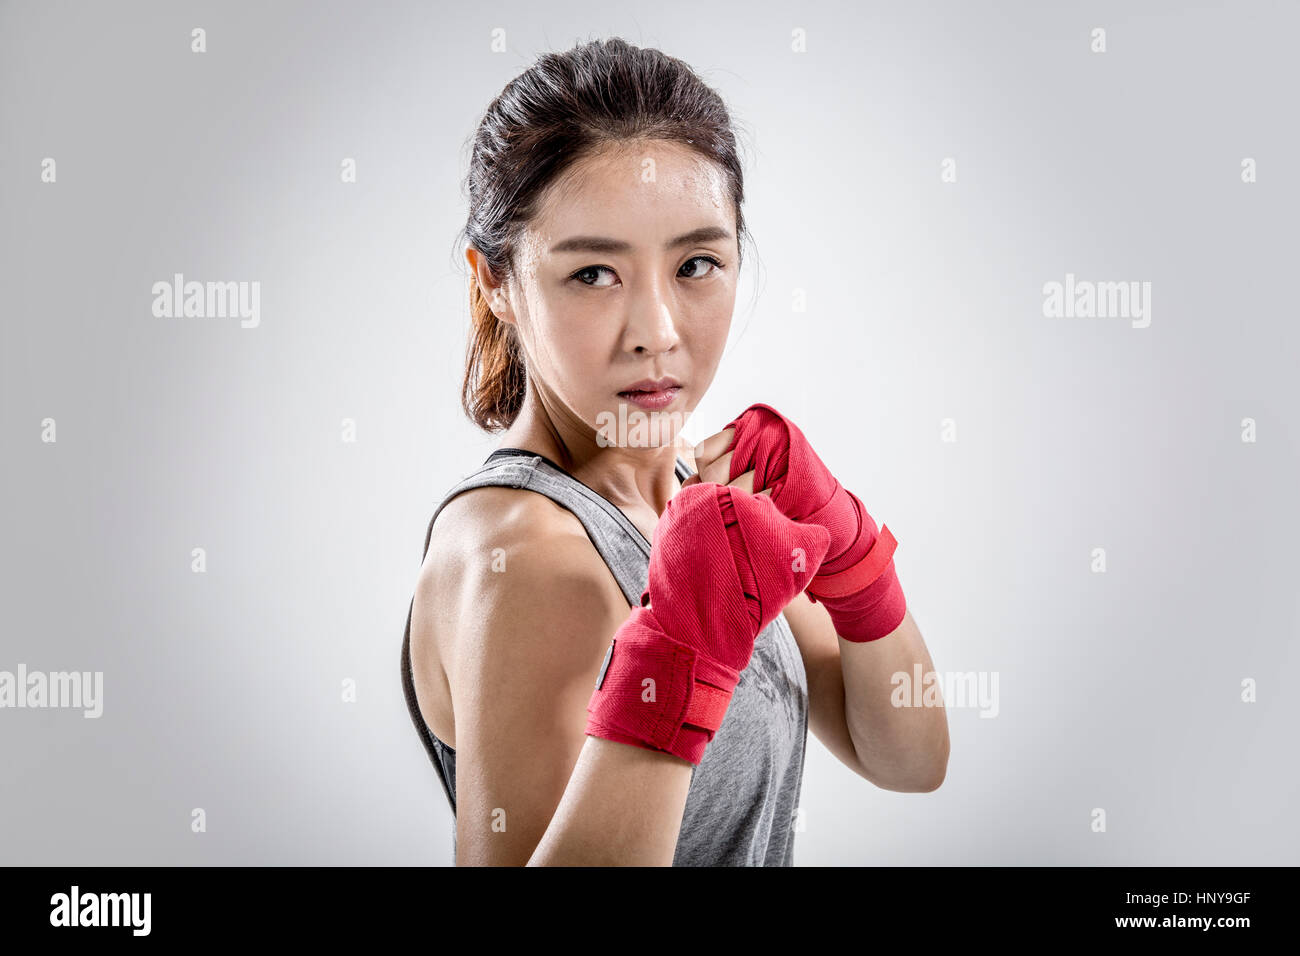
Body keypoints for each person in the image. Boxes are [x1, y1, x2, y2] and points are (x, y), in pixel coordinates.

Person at [399, 36, 949, 866]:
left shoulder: (698, 498)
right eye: (593, 274)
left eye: (696, 263)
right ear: (495, 283)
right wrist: (683, 650)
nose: (656, 333)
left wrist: (853, 554)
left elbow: (907, 758)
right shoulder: (528, 555)